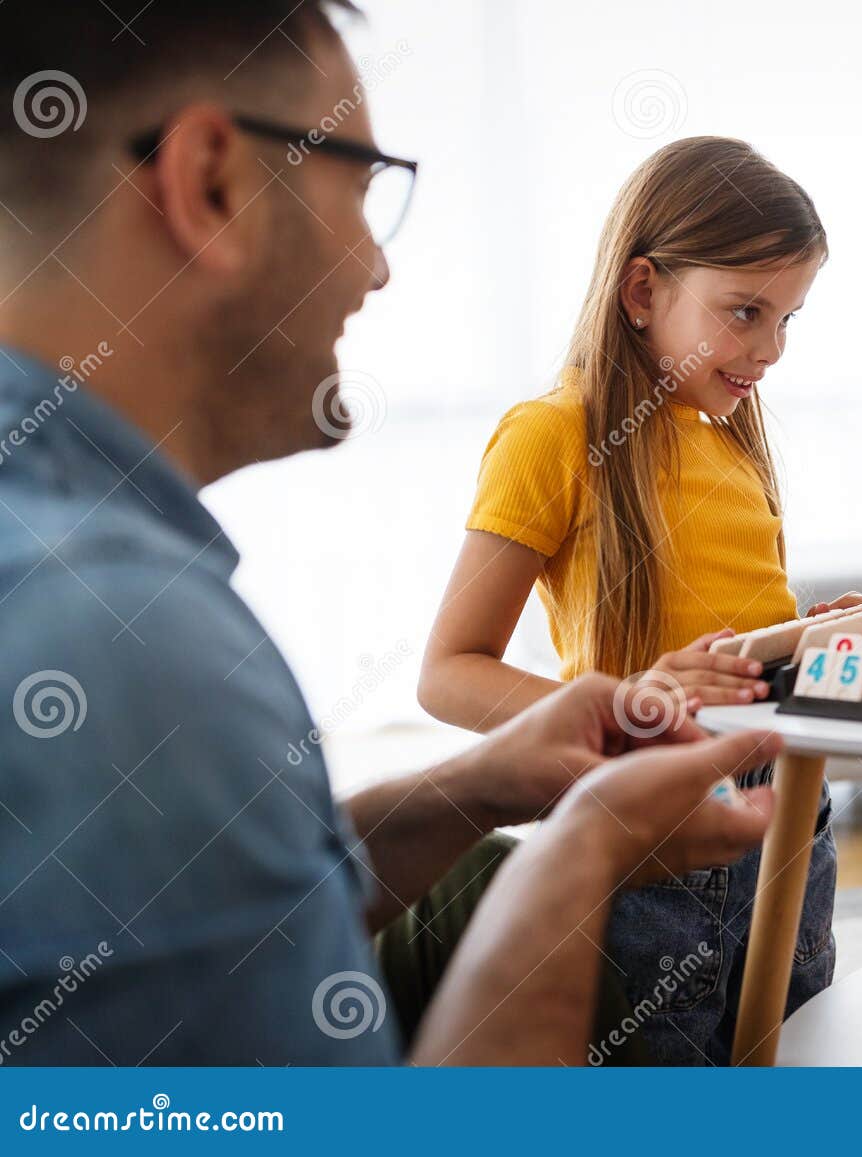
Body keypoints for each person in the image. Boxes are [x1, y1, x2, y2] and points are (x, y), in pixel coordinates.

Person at [0, 0, 778, 1066]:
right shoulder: (123, 636)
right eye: (361, 189)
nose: (377, 267)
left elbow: (212, 909)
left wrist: (480, 783)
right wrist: (584, 850)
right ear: (211, 183)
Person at [419, 135, 862, 1063]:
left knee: (792, 1051)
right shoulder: (550, 435)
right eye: (745, 312)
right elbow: (447, 675)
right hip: (646, 825)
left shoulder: (728, 435)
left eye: (788, 319)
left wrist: (810, 632)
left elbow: (716, 630)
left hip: (787, 808)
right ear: (643, 291)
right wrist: (629, 711)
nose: (769, 349)